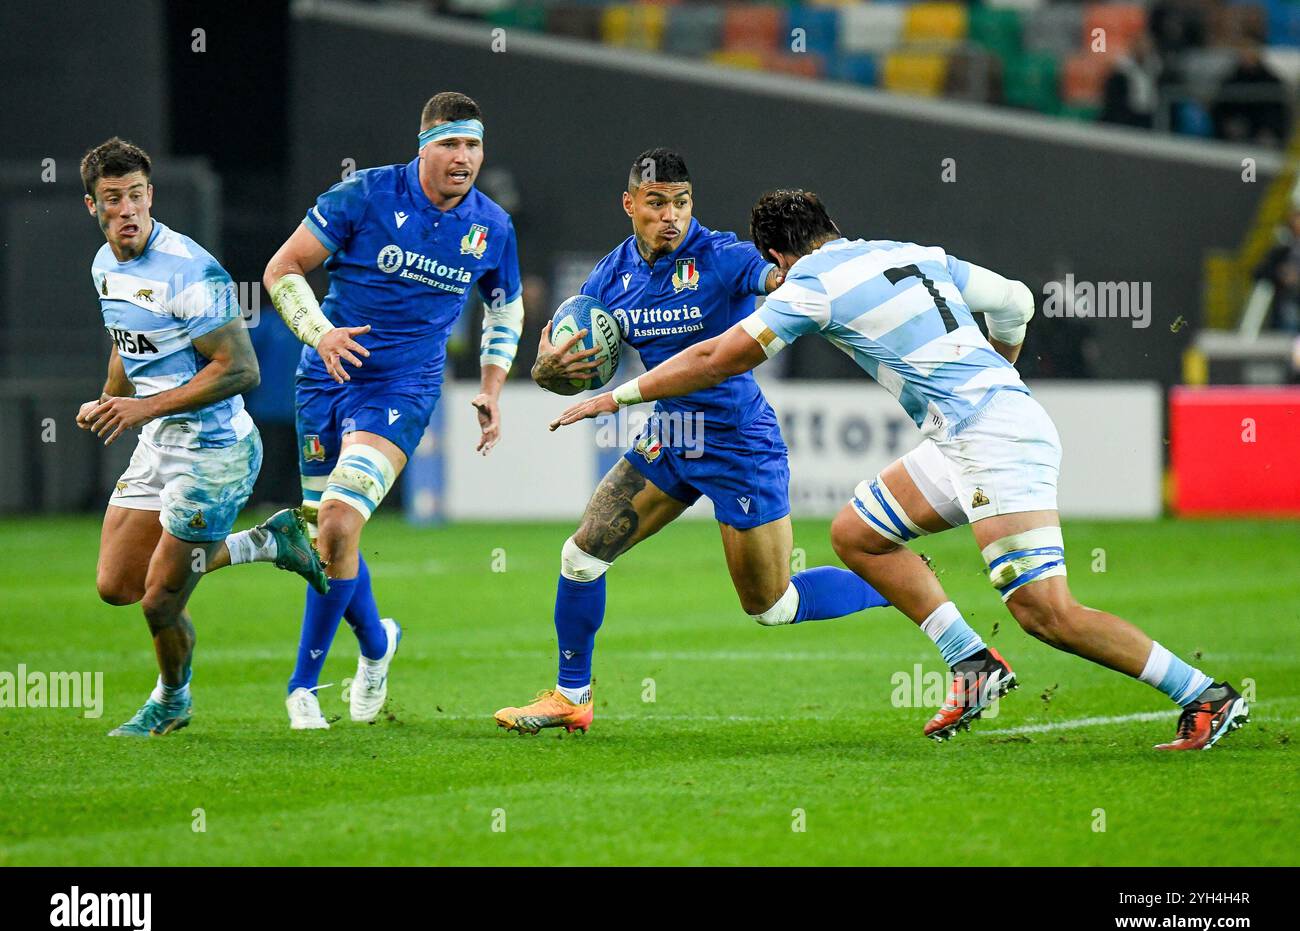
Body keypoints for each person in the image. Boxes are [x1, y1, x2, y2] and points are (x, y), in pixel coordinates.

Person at [552, 189, 1249, 751]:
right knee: (858, 535)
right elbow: (1016, 302)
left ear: (774, 254)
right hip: (970, 432)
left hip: (993, 440)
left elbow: (716, 358)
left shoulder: (807, 286)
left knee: (1044, 612)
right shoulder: (912, 252)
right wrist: (1001, 368)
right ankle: (973, 663)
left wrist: (614, 396)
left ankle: (1204, 695)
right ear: (833, 225)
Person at [492, 154, 888, 736]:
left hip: (738, 444)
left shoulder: (723, 257)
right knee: (581, 556)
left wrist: (804, 277)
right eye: (656, 203)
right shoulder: (608, 280)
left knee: (770, 607)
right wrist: (549, 369)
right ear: (630, 205)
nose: (671, 216)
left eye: (681, 202)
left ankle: (886, 581)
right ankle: (571, 697)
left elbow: (782, 279)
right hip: (672, 437)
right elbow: (562, 367)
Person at [263, 92, 523, 729]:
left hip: (401, 391)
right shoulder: (364, 195)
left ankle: (303, 686)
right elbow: (281, 268)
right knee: (328, 538)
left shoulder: (492, 227)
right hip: (324, 377)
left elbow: (505, 307)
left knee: (340, 523)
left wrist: (492, 384)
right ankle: (377, 647)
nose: (464, 158)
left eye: (474, 145)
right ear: (423, 146)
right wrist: (320, 332)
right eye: (450, 145)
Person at [78, 137, 327, 737]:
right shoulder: (104, 265)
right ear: (94, 207)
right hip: (158, 441)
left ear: (151, 196)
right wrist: (114, 398)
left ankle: (172, 699)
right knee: (117, 585)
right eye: (113, 199)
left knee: (159, 602)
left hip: (216, 453)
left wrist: (143, 409)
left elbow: (242, 370)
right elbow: (125, 338)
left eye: (137, 195)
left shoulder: (190, 269)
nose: (128, 209)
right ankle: (267, 543)